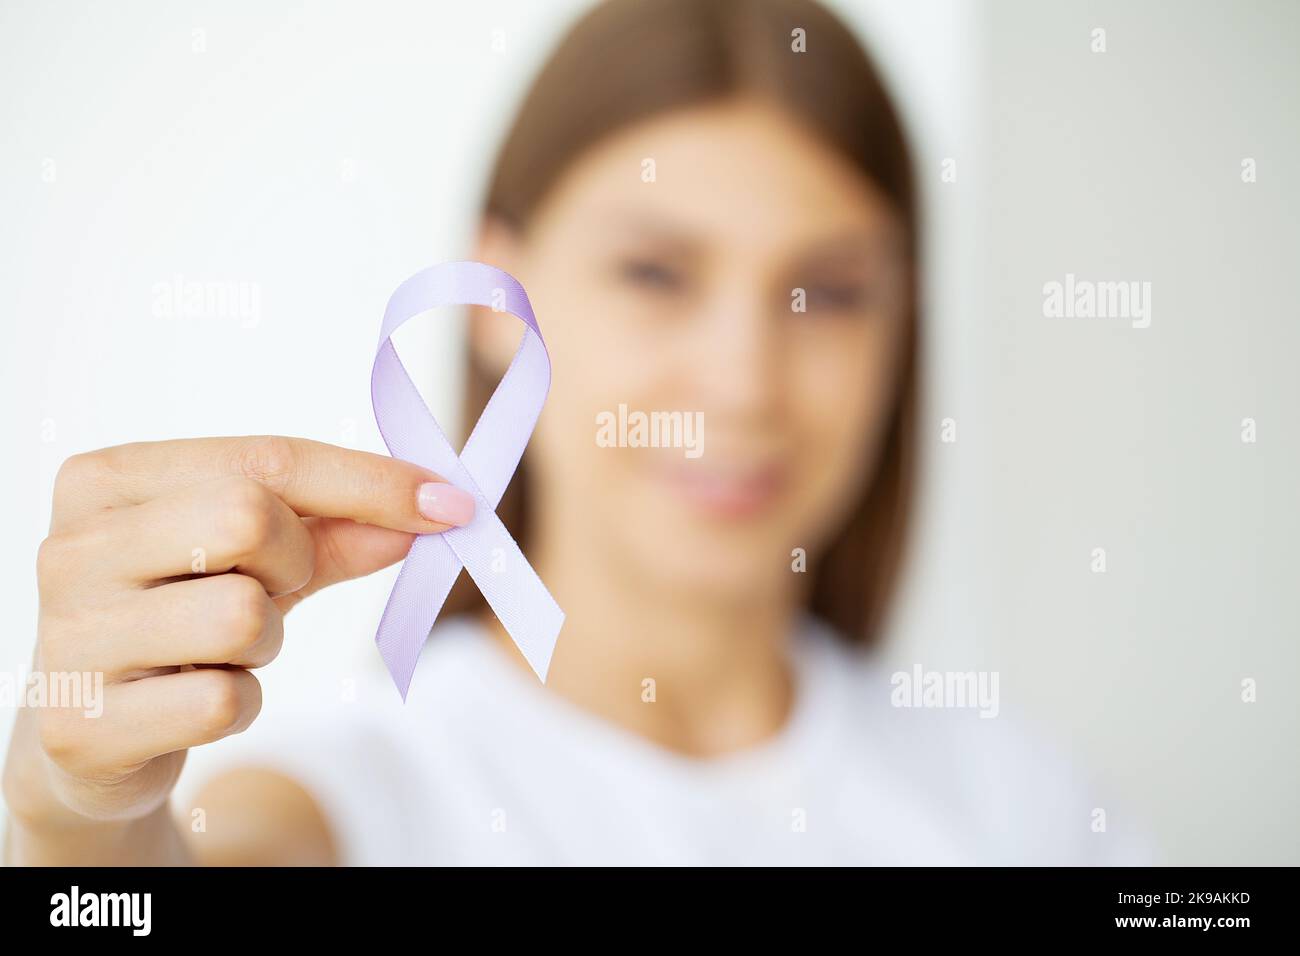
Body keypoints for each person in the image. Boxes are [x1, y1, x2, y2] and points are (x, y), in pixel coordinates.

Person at [1, 0, 1148, 865]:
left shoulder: (1031, 810)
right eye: (654, 271)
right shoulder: (356, 795)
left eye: (827, 293)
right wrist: (73, 819)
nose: (744, 383)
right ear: (496, 297)